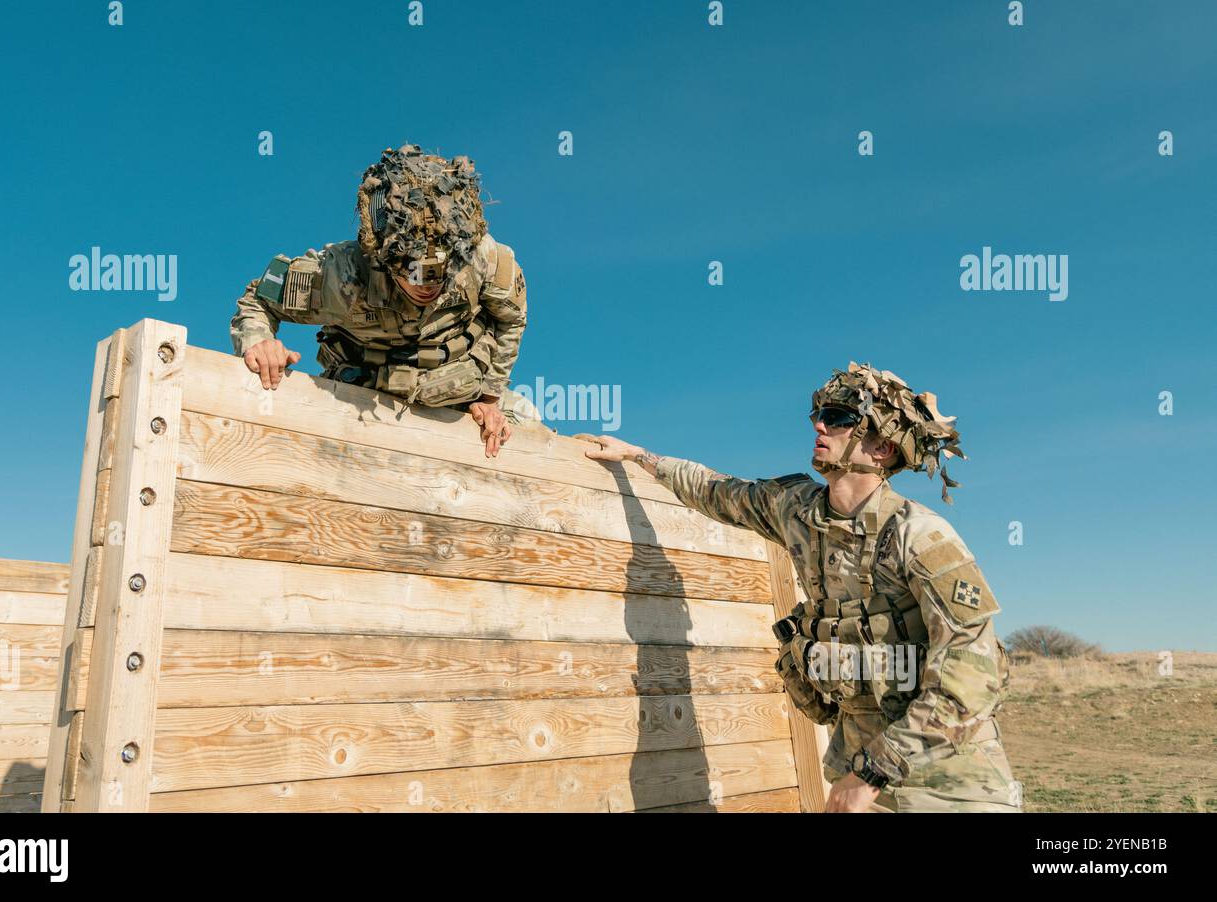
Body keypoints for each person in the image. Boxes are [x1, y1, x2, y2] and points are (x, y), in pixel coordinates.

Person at [578, 362, 1023, 812]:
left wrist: (873, 772)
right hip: (857, 771)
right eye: (819, 413)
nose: (820, 423)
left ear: (883, 448)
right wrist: (638, 456)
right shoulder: (796, 510)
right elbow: (714, 490)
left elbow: (974, 676)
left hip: (948, 782)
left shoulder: (919, 536)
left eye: (842, 418)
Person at [230, 144, 535, 458]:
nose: (427, 286)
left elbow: (511, 318)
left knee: (526, 422)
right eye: (412, 271)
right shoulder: (344, 275)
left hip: (459, 393)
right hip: (363, 399)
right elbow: (258, 299)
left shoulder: (484, 260)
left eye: (439, 273)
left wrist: (489, 398)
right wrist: (259, 340)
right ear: (384, 258)